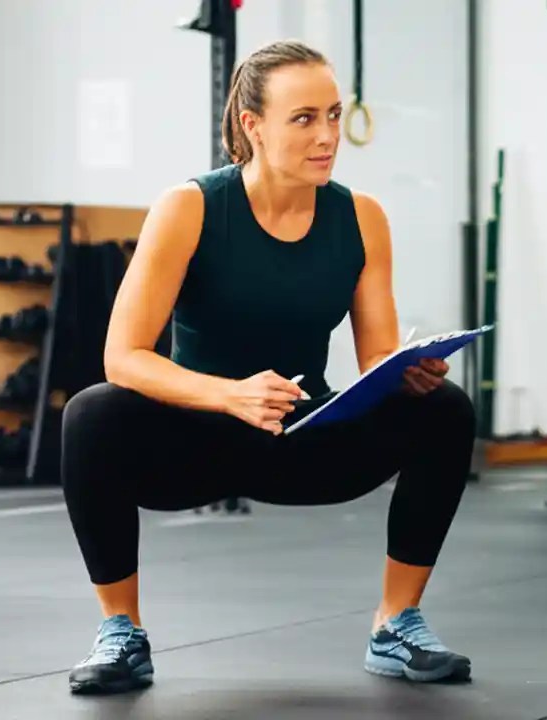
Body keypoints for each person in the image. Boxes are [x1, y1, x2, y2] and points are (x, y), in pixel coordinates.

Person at [60, 40, 475, 695]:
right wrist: (229, 395)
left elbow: (375, 360)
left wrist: (408, 374)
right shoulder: (189, 208)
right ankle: (121, 633)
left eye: (334, 115)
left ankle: (396, 623)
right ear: (252, 126)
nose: (328, 135)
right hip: (194, 437)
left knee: (445, 410)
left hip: (302, 434)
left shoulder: (363, 217)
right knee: (90, 415)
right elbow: (124, 357)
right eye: (304, 118)